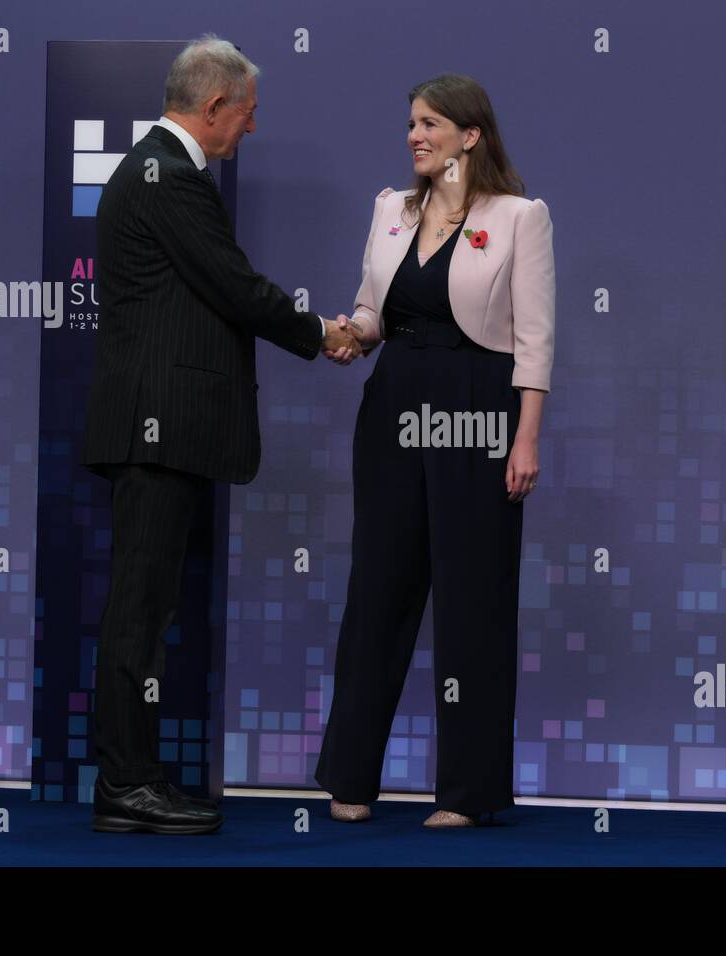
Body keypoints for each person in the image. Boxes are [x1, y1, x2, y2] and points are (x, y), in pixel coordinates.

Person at [80, 34, 360, 835]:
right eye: (247, 113)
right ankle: (126, 784)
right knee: (139, 609)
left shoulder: (157, 171)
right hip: (155, 428)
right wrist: (320, 332)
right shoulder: (169, 176)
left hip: (159, 428)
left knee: (146, 604)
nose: (251, 129)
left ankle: (129, 781)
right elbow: (233, 287)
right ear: (213, 107)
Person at [314, 73, 556, 828]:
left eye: (430, 124)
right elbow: (372, 308)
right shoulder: (390, 210)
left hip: (480, 413)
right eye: (411, 123)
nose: (415, 136)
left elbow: (535, 340)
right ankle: (350, 778)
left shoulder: (521, 217)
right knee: (378, 589)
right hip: (393, 408)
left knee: (473, 598)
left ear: (470, 136)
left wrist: (525, 438)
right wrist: (348, 335)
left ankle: (468, 792)